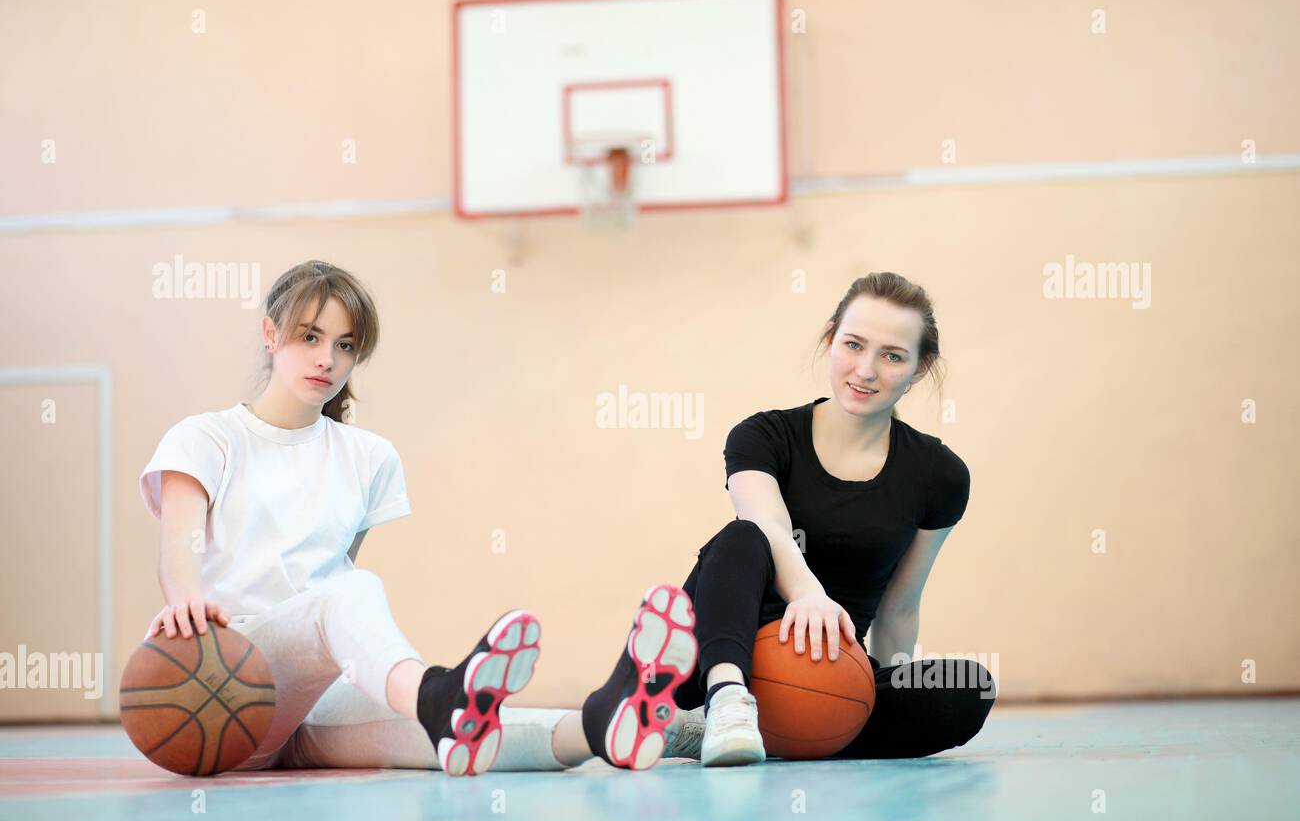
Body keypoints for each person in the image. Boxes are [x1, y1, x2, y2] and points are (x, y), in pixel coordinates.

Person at [137, 260, 698, 776]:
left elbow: (328, 588)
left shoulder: (368, 457)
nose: (327, 358)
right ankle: (435, 693)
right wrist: (186, 597)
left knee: (454, 735)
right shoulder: (206, 438)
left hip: (308, 698)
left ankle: (597, 725)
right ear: (269, 334)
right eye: (310, 337)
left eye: (345, 345)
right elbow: (179, 550)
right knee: (353, 593)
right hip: (216, 675)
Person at [663, 273, 997, 766]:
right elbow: (769, 526)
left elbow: (900, 606)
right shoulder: (762, 436)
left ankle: (774, 727)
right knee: (742, 537)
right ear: (830, 339)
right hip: (718, 648)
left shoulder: (939, 475)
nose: (865, 370)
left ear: (919, 370)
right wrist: (808, 595)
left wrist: (887, 689)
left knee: (970, 688)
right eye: (854, 345)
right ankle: (724, 702)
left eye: (892, 355)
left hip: (823, 669)